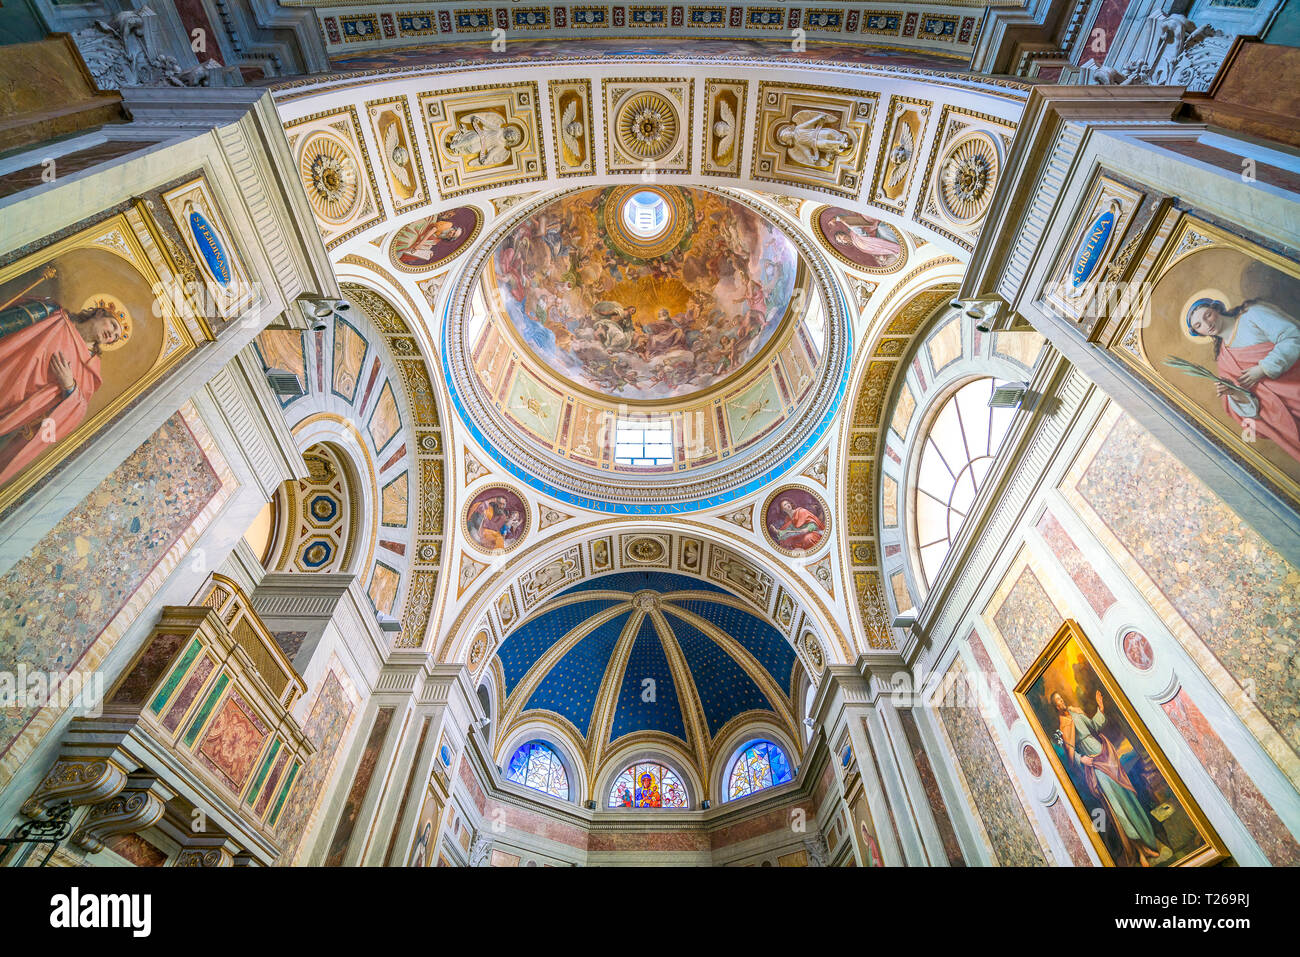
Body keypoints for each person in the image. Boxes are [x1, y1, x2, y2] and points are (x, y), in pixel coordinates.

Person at [0, 297, 125, 486]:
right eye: (114, 326)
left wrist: (69, 386)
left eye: (116, 336)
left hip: (18, 413)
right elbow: (8, 324)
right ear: (99, 313)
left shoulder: (89, 370)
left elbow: (77, 410)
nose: (113, 335)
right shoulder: (53, 315)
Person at [1051, 688, 1166, 866]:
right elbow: (1070, 753)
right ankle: (1139, 852)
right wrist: (1083, 759)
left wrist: (1100, 707)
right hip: (1095, 766)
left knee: (1127, 797)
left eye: (1061, 697)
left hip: (1105, 755)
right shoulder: (1064, 726)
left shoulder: (1076, 713)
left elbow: (1095, 726)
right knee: (1117, 807)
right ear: (1056, 707)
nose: (1061, 701)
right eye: (1057, 701)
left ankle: (1147, 843)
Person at [1185, 296, 1300, 464]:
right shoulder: (1224, 362)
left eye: (1207, 315)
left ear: (1216, 309)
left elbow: (1294, 337)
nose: (1206, 324)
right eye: (1198, 325)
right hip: (1282, 414)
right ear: (1198, 333)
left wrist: (1262, 369)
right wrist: (1235, 394)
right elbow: (1252, 409)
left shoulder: (1252, 316)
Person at [397, 216, 464, 267]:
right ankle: (401, 249)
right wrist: (420, 244)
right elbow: (433, 229)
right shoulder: (448, 225)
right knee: (409, 242)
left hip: (424, 237)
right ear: (454, 229)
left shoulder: (443, 236)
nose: (451, 234)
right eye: (453, 233)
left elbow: (432, 241)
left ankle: (401, 253)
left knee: (418, 253)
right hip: (425, 228)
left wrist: (428, 252)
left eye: (452, 236)